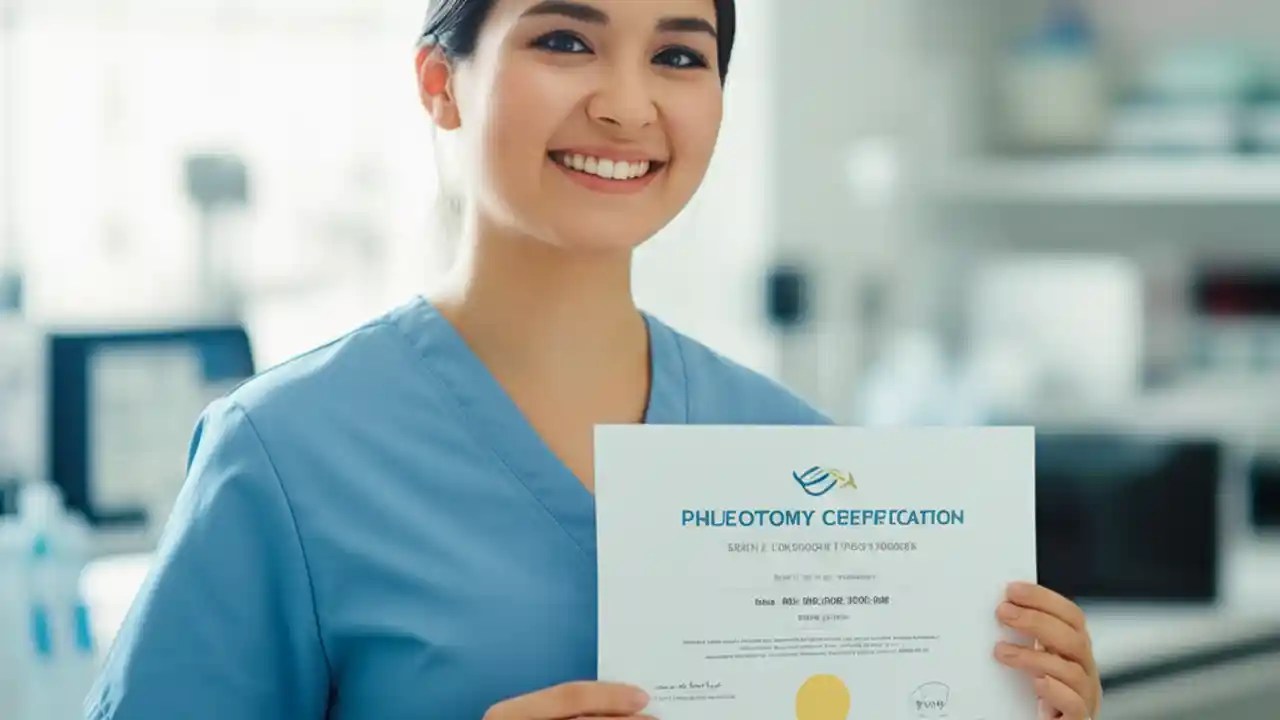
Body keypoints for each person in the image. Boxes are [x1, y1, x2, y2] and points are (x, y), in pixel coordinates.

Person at [86, 1, 1103, 718]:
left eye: (677, 55)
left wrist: (1024, 705)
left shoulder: (800, 454)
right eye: (566, 39)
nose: (626, 106)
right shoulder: (285, 456)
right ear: (440, 85)